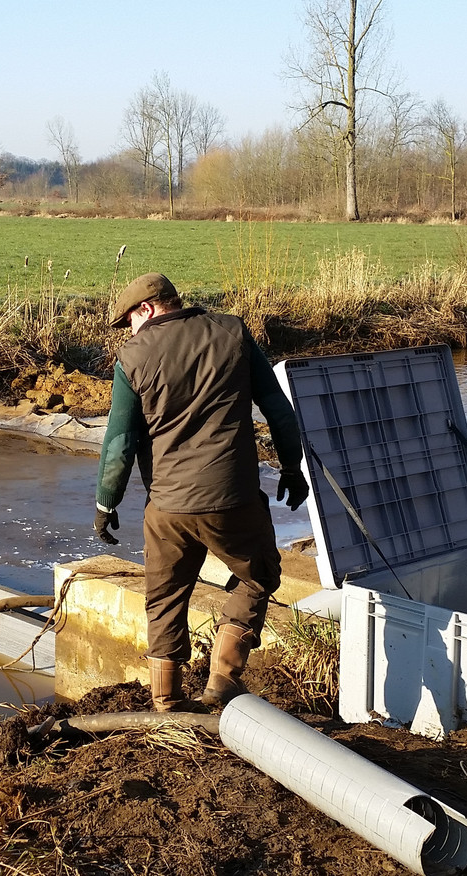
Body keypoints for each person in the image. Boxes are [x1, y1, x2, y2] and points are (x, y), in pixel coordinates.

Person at [93, 272, 309, 712]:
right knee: (258, 577)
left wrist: (106, 501)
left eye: (129, 320)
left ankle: (166, 701)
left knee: (166, 596)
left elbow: (120, 443)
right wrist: (292, 467)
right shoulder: (233, 332)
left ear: (148, 309)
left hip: (168, 506)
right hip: (234, 500)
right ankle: (222, 683)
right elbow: (280, 413)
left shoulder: (133, 356)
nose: (129, 330)